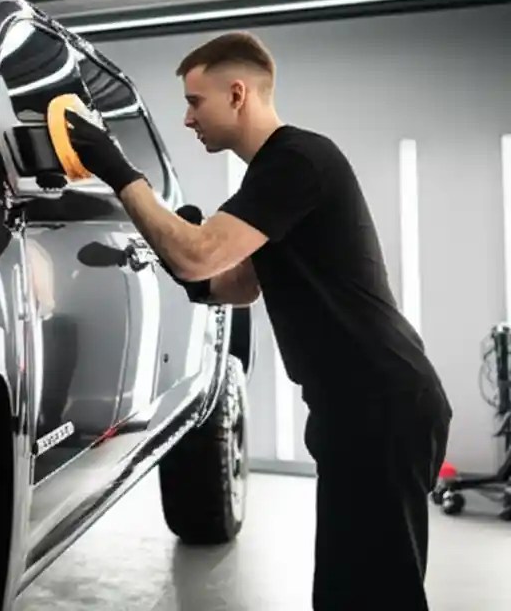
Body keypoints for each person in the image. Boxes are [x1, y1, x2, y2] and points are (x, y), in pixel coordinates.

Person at [61, 30, 453, 610]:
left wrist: (119, 172)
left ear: (237, 94)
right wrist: (178, 260)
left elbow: (200, 253)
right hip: (360, 402)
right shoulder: (276, 174)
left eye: (195, 102)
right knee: (350, 588)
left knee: (376, 592)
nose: (188, 120)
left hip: (380, 399)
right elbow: (235, 285)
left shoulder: (296, 160)